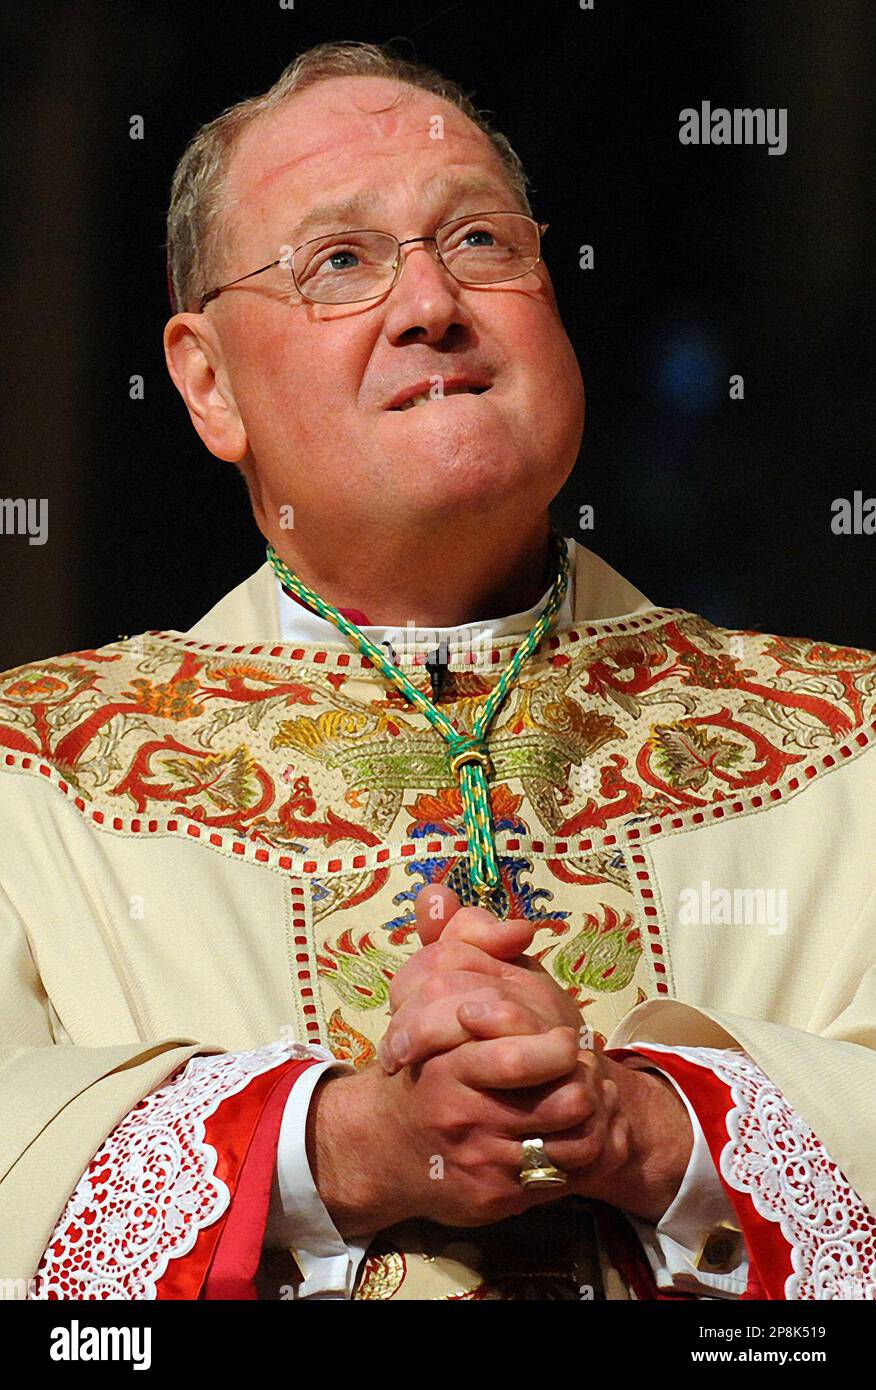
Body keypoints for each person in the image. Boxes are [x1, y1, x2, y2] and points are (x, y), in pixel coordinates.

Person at [1, 40, 873, 1302]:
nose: (429, 306)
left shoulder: (846, 733)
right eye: (339, 262)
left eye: (478, 242)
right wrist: (341, 1149)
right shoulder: (37, 772)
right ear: (207, 381)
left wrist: (655, 1131)